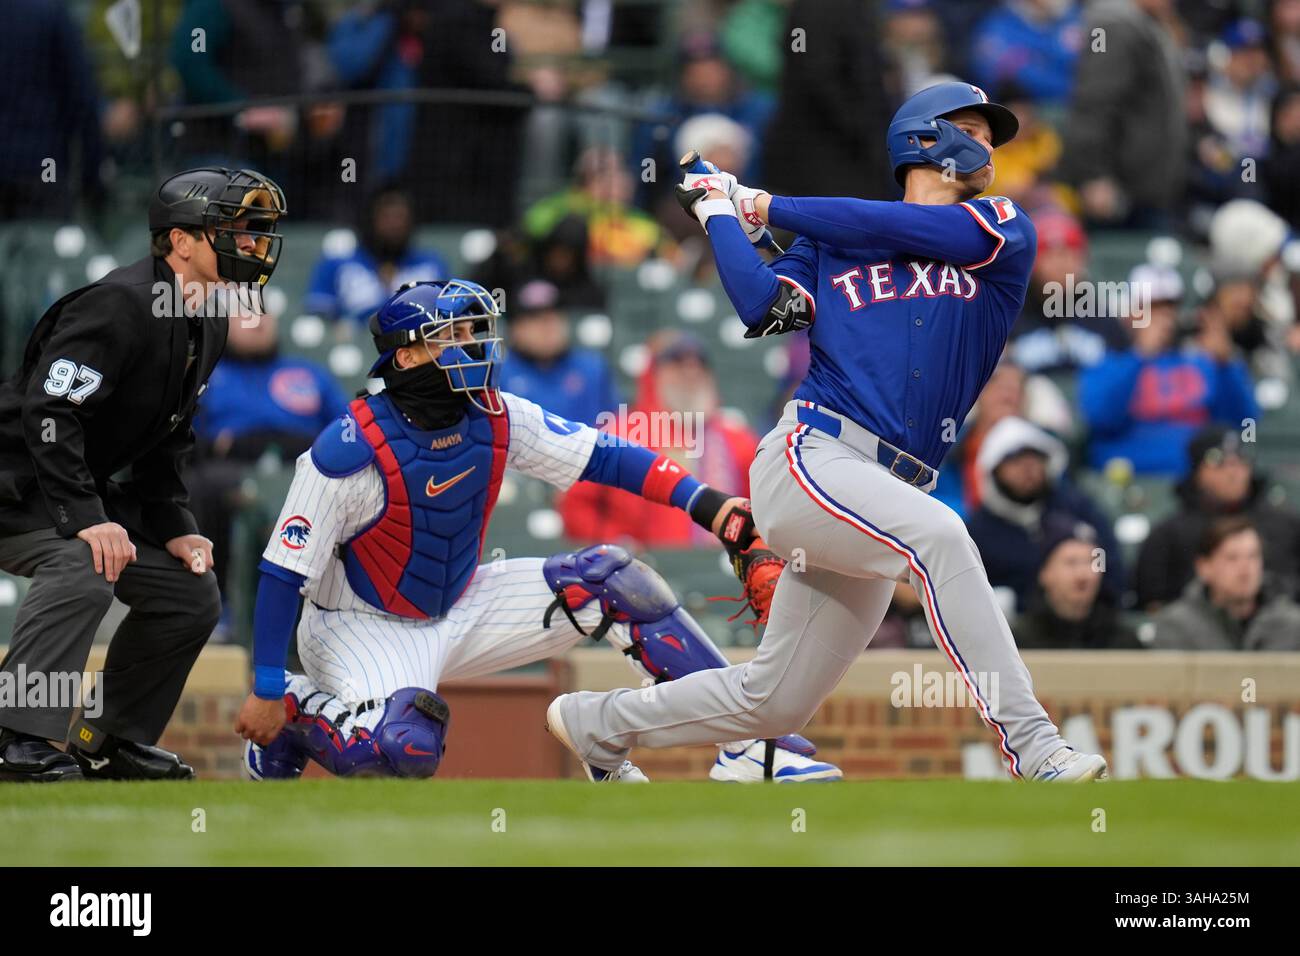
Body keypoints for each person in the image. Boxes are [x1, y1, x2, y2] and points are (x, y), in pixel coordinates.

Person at [546, 82, 1110, 783]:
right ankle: (1035, 747)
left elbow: (908, 231)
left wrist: (761, 204)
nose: (990, 144)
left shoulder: (1001, 226)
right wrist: (720, 210)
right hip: (814, 455)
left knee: (772, 702)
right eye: (975, 127)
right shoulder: (829, 245)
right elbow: (763, 308)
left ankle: (599, 724)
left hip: (887, 489)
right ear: (925, 139)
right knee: (938, 536)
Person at [235, 279, 841, 784]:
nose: (474, 347)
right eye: (454, 336)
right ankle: (297, 709)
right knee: (402, 750)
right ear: (408, 356)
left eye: (475, 333)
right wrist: (265, 685)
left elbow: (605, 456)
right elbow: (283, 570)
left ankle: (747, 743)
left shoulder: (497, 415)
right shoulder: (346, 451)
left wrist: (708, 504)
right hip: (361, 622)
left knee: (614, 580)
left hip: (460, 598)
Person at [0, 167, 285, 781]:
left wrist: (175, 525)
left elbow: (168, 441)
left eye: (259, 234)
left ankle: (107, 739)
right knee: (84, 562)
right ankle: (15, 736)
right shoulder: (118, 303)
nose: (255, 246)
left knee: (190, 591)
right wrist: (86, 519)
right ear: (181, 241)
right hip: (15, 484)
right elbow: (49, 413)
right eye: (236, 230)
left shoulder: (210, 318)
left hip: (64, 488)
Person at [188, 302, 349, 605]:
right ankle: (216, 602)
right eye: (245, 314)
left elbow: (346, 431)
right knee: (205, 485)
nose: (257, 321)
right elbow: (185, 439)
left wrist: (277, 441)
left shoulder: (308, 373)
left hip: (304, 469)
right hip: (229, 473)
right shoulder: (207, 375)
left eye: (263, 313)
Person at [559, 331, 759, 548]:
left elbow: (760, 510)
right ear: (653, 375)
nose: (691, 372)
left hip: (721, 571)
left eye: (700, 363)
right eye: (676, 362)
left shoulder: (738, 440)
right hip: (639, 572)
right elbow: (576, 505)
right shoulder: (618, 434)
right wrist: (618, 546)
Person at [1079, 263, 1258, 476]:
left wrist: (1226, 365)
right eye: (1150, 308)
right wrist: (1140, 356)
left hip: (1195, 477)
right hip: (1129, 472)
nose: (1162, 318)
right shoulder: (1106, 361)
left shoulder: (1202, 362)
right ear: (1128, 313)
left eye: (1169, 308)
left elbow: (1243, 425)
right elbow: (1102, 419)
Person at [966, 416, 1122, 612]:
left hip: (1088, 622)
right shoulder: (979, 531)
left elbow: (1106, 557)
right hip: (1014, 631)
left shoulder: (1077, 509)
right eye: (1015, 460)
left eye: (1035, 458)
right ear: (994, 471)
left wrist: (1091, 571)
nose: (1028, 468)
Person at [1135, 425, 1300, 609]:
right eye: (1218, 462)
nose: (1233, 472)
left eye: (1241, 460)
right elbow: (1153, 605)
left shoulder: (1286, 524)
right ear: (1197, 471)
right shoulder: (1168, 534)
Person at [303, 186, 449, 326]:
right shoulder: (339, 263)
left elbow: (449, 316)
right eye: (386, 217)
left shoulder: (431, 265)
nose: (394, 225)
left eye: (400, 217)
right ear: (371, 219)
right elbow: (318, 319)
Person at [1150, 516, 1300, 651]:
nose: (1245, 568)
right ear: (1204, 567)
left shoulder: (1293, 626)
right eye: (1232, 558)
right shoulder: (1176, 627)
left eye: (1253, 556)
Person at [497, 279, 619, 427]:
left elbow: (615, 428)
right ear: (515, 328)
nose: (549, 326)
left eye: (555, 315)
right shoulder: (497, 375)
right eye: (536, 319)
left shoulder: (592, 368)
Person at [1013, 519, 1142, 650]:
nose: (1083, 574)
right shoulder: (1017, 642)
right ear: (1044, 572)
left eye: (1092, 563)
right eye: (1071, 562)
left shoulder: (1125, 642)